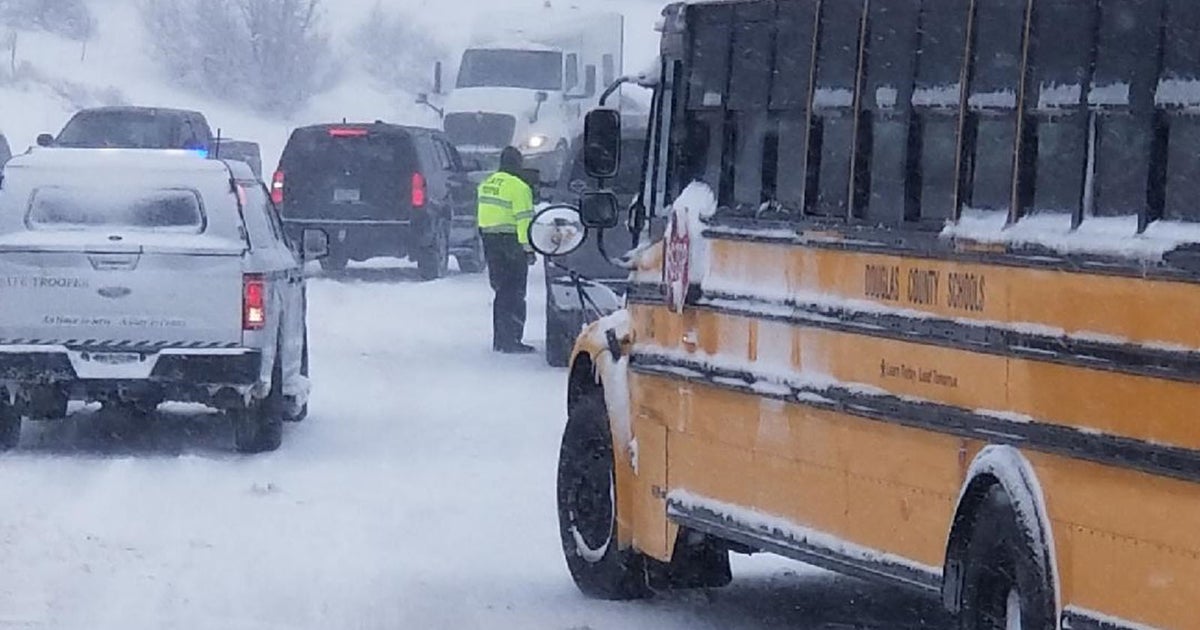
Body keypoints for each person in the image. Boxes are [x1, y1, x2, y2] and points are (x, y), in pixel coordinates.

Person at [478, 146, 537, 354]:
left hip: (490, 240)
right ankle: (513, 339)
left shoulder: (487, 183)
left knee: (501, 291)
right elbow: (524, 221)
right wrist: (528, 249)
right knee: (516, 292)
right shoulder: (519, 188)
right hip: (511, 243)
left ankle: (500, 339)